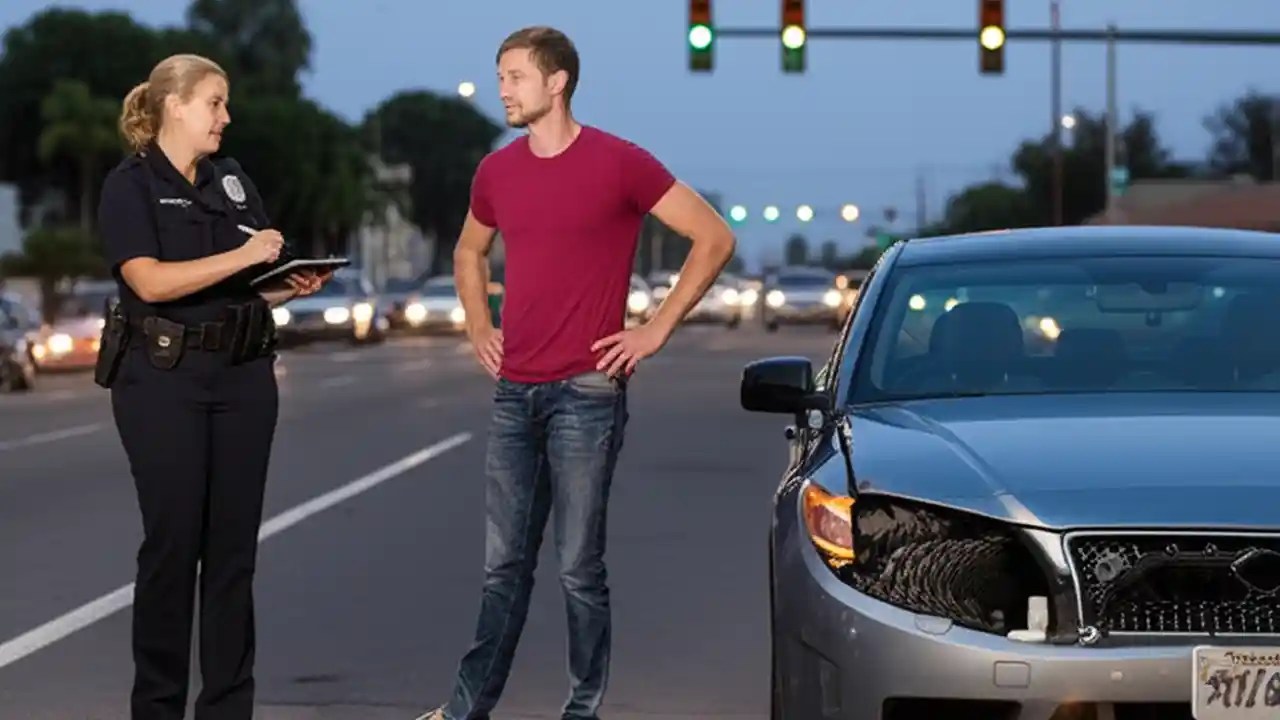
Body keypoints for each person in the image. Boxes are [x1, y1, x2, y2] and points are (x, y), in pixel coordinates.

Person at [417, 26, 736, 720]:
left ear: (556, 82)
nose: (503, 89)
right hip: (515, 394)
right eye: (499, 76)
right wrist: (478, 324)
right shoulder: (495, 172)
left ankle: (582, 708)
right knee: (503, 568)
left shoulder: (619, 163)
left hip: (588, 393)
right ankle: (465, 710)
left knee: (576, 570)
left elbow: (714, 236)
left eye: (514, 76)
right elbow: (469, 252)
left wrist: (656, 328)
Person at [96, 53, 331, 720]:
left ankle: (228, 708)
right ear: (175, 105)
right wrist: (245, 255)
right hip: (162, 381)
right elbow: (149, 281)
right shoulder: (130, 185)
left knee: (232, 556)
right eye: (214, 103)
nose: (226, 117)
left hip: (243, 377)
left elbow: (241, 281)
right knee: (173, 549)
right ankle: (158, 708)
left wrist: (288, 283)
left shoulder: (231, 181)